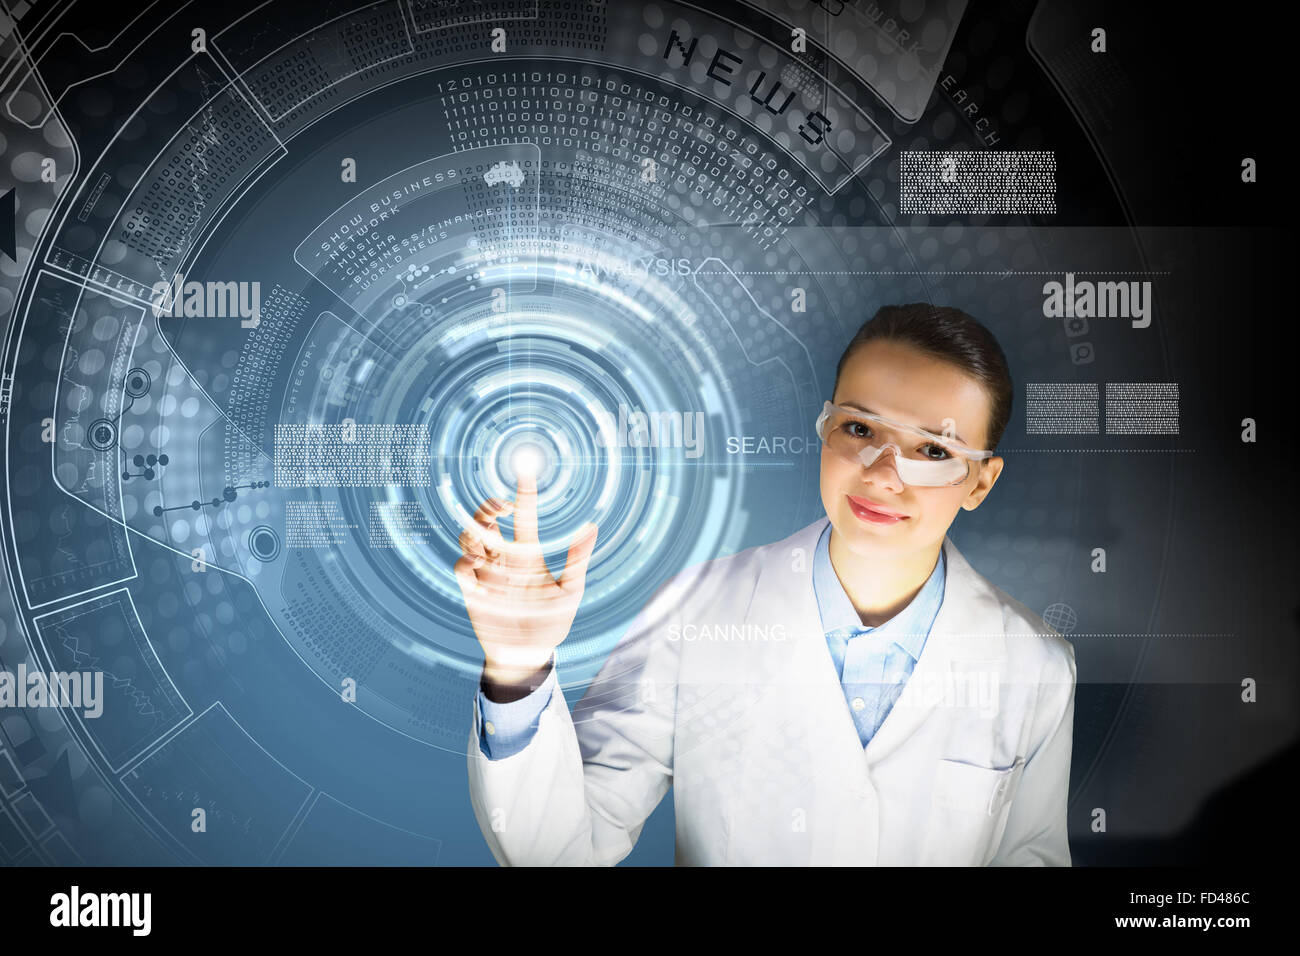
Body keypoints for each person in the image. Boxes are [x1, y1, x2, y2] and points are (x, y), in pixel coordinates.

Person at [453, 303, 1077, 866]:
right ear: (826, 427)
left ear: (980, 483)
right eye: (860, 429)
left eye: (935, 451)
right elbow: (558, 852)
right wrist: (518, 668)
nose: (885, 475)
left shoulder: (1034, 667)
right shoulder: (698, 614)